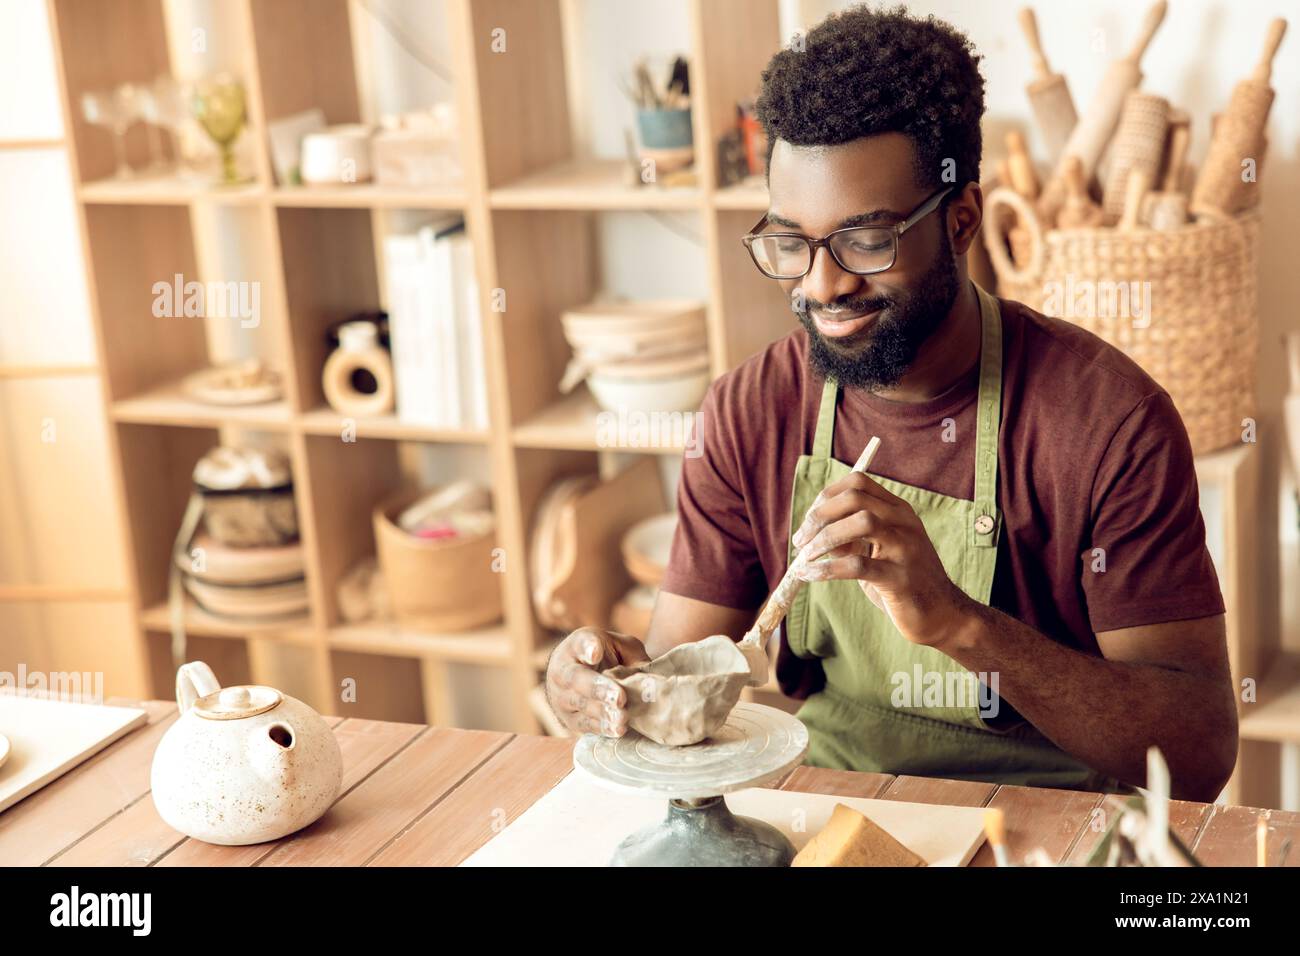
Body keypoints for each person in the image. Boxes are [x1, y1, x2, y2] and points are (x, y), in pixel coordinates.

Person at [546, 4, 1237, 799]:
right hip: (838, 797)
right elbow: (682, 669)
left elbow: (1199, 752)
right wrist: (613, 686)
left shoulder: (1107, 423)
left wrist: (960, 625)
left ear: (962, 219)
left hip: (1054, 824)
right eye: (791, 243)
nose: (822, 284)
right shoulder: (749, 412)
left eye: (865, 241)